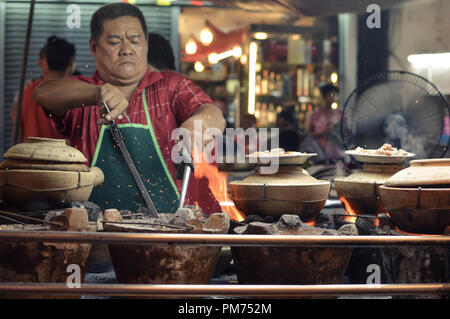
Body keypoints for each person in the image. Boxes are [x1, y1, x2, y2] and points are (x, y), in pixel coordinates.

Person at [34, 3, 226, 215]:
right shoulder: (82, 95)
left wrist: (199, 126)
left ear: (145, 44)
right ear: (93, 47)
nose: (126, 49)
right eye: (114, 42)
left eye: (134, 40)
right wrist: (95, 94)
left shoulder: (170, 86)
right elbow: (43, 93)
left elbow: (213, 114)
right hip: (98, 234)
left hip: (168, 232)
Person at [12, 36, 75, 143]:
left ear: (45, 61)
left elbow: (17, 134)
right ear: (71, 62)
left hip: (32, 157)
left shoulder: (26, 92)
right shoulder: (78, 93)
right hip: (65, 157)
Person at [307, 83, 345, 163]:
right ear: (324, 96)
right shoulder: (316, 114)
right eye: (331, 94)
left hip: (338, 154)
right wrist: (325, 131)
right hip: (319, 155)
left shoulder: (340, 114)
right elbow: (309, 134)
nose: (333, 97)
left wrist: (337, 129)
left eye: (335, 95)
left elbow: (347, 132)